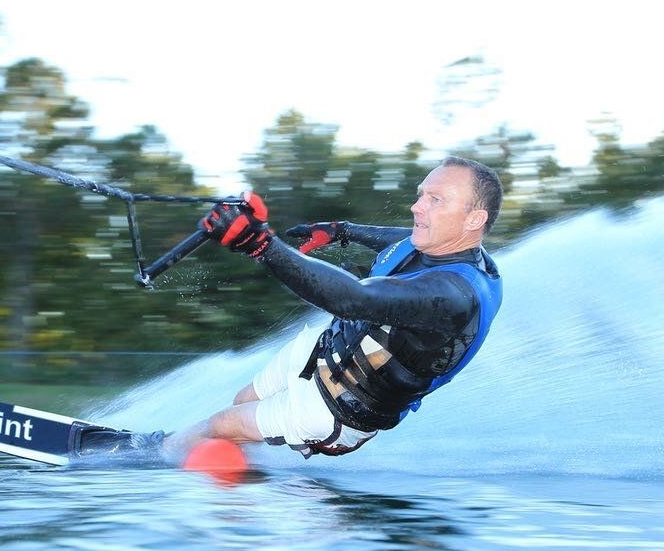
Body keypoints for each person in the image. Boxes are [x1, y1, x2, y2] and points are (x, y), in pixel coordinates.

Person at [167, 156, 503, 459]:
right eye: (421, 195)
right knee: (242, 401)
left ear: (474, 219)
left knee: (222, 424)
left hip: (337, 407)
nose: (417, 207)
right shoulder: (442, 242)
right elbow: (397, 239)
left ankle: (158, 450)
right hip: (325, 350)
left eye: (435, 199)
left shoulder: (454, 296)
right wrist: (341, 231)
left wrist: (260, 244)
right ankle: (223, 454)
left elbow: (354, 299)